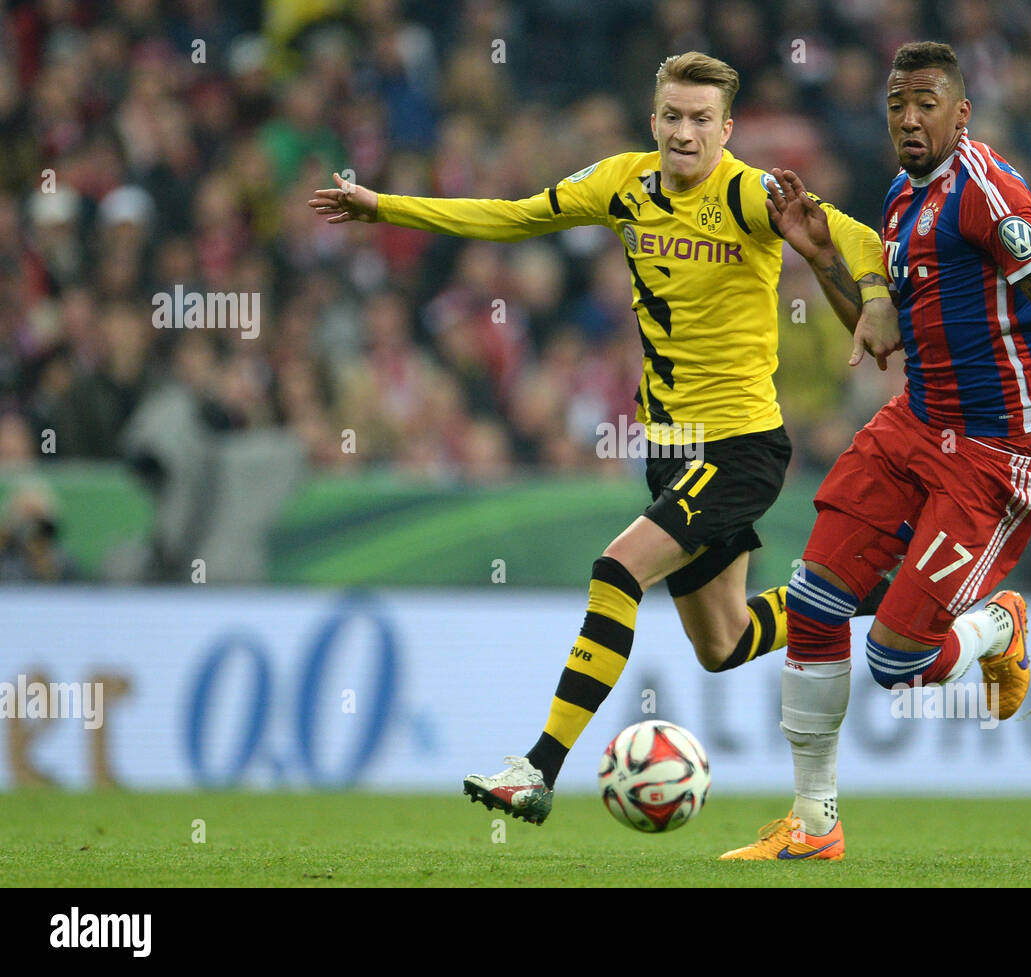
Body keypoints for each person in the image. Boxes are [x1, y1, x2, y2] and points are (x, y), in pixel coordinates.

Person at [308, 51, 898, 825]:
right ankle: (889, 592)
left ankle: (538, 767)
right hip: (669, 452)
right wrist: (385, 206)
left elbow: (864, 242)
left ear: (728, 129)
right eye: (674, 118)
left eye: (702, 121)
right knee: (722, 643)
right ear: (654, 121)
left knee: (616, 569)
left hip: (739, 449)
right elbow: (512, 214)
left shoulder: (754, 194)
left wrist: (881, 295)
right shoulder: (623, 183)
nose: (686, 133)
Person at [721, 41, 1031, 861]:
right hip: (911, 426)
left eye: (925, 103)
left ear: (961, 111)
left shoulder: (987, 193)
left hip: (992, 456)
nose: (907, 117)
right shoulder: (902, 198)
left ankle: (999, 627)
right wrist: (821, 254)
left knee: (896, 662)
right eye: (897, 103)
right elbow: (880, 335)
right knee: (816, 596)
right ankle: (814, 823)